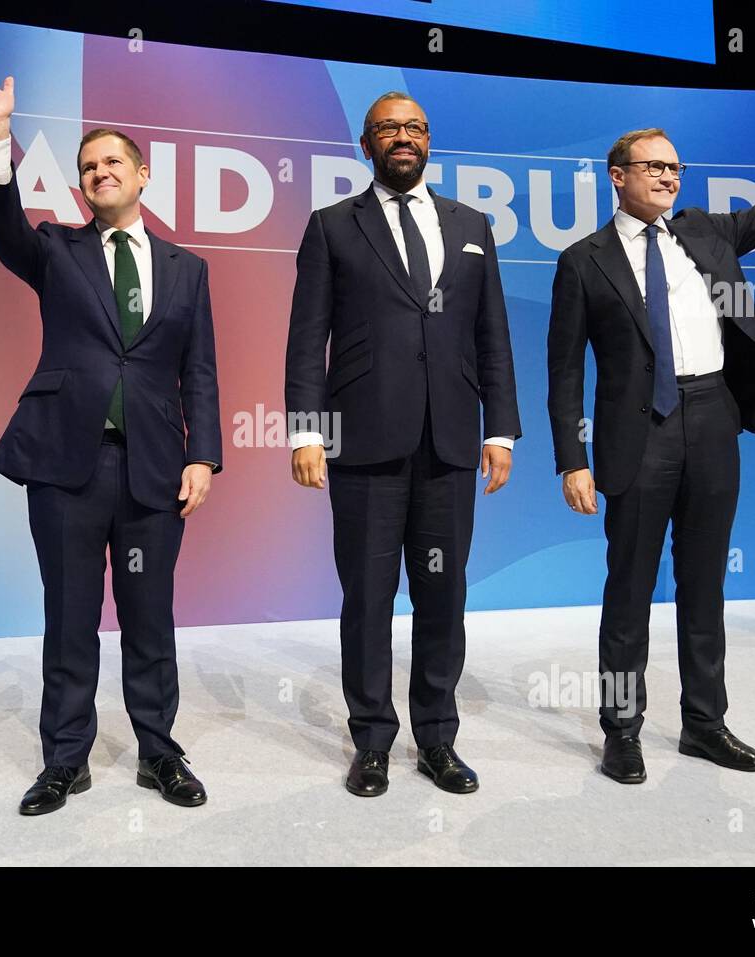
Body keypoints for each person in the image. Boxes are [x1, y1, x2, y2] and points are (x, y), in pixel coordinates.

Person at [546, 56, 755, 784]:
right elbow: (563, 371)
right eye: (653, 166)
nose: (668, 177)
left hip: (713, 416)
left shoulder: (709, 234)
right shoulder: (582, 262)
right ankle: (622, 730)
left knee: (705, 582)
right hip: (636, 429)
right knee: (628, 587)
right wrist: (571, 458)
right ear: (615, 174)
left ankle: (704, 724)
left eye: (676, 167)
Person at [0, 64, 222, 814]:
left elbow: (200, 370)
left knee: (149, 618)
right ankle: (65, 757)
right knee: (69, 618)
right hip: (67, 462)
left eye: (112, 163)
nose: (99, 173)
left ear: (143, 175)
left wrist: (204, 456)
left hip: (155, 466)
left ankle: (159, 752)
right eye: (88, 167)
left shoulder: (187, 270)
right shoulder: (55, 250)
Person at [285, 92, 521, 797]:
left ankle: (439, 739)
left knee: (443, 597)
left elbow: (493, 336)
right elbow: (307, 338)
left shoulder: (471, 224)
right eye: (388, 128)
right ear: (366, 145)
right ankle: (373, 741)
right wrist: (305, 430)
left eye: (414, 127)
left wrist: (500, 428)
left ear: (429, 141)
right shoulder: (332, 226)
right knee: (367, 598)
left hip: (449, 443)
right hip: (361, 445)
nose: (403, 137)